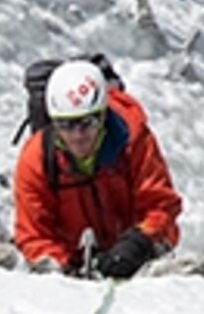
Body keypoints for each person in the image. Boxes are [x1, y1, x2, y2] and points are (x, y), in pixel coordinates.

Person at [11, 58, 182, 279]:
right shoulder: (36, 159)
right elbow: (32, 234)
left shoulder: (134, 142)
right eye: (65, 125)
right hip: (72, 268)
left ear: (103, 116)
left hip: (137, 261)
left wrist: (139, 241)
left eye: (87, 122)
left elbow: (161, 206)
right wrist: (64, 267)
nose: (77, 135)